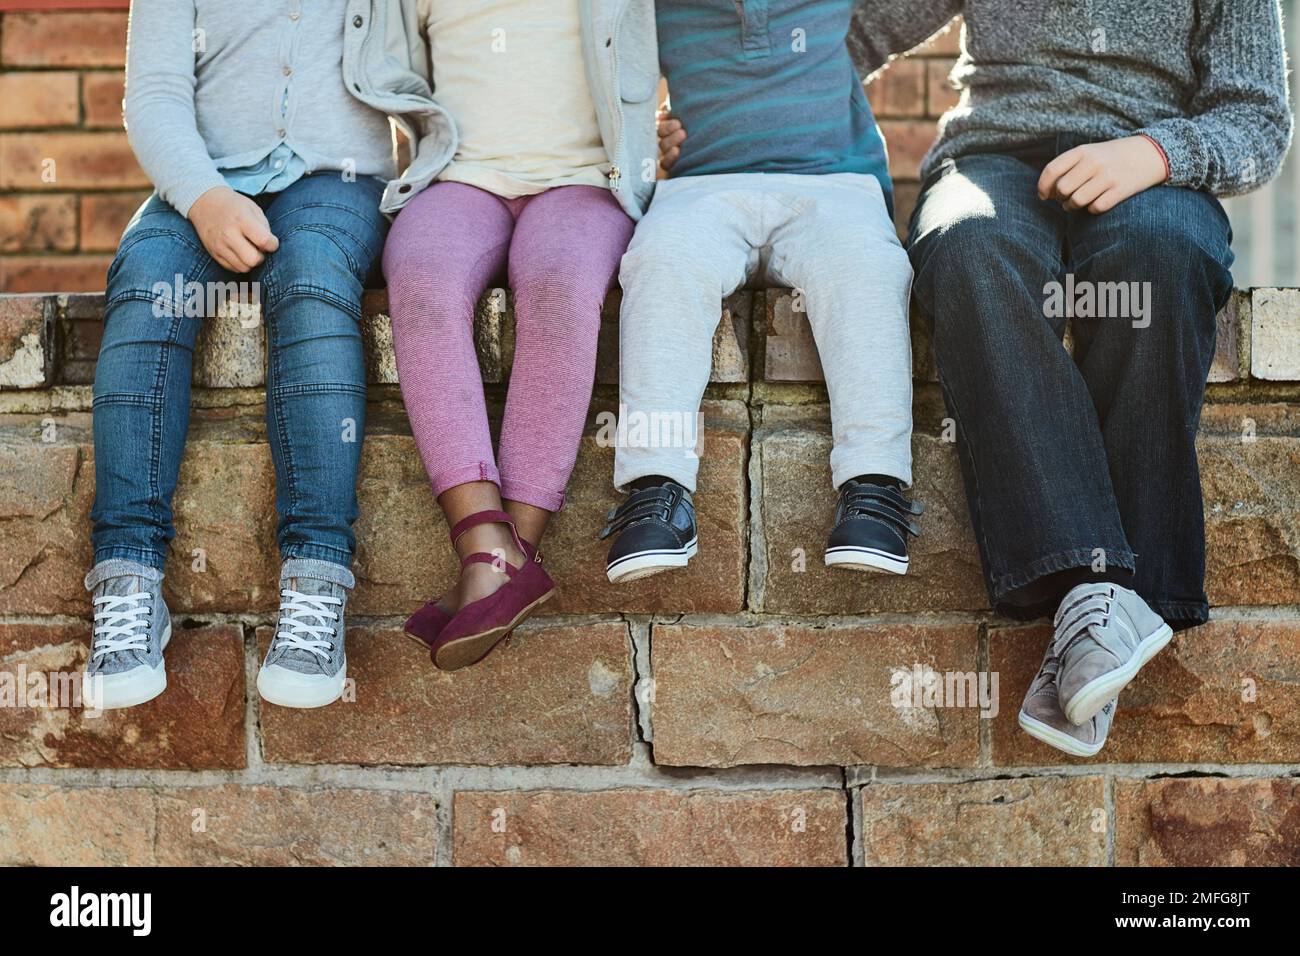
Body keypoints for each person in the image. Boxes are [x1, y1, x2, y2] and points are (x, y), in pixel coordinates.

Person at [83, 0, 449, 709]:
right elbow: (153, 95)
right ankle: (126, 579)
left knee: (312, 279)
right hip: (201, 183)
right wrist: (203, 197)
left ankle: (316, 582)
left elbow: (446, 63)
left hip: (339, 183)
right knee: (148, 287)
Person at [602, 0, 922, 587]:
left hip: (832, 182)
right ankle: (656, 487)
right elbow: (608, 68)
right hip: (702, 185)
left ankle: (875, 486)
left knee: (870, 267)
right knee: (660, 263)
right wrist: (639, 135)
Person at [382, 0, 660, 669]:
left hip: (585, 183)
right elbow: (393, 79)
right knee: (419, 276)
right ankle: (484, 543)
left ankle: (512, 553)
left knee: (561, 287)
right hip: (458, 180)